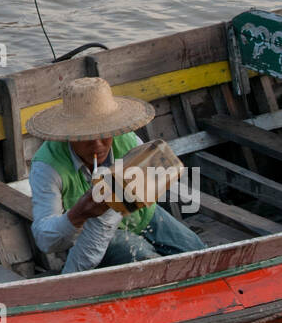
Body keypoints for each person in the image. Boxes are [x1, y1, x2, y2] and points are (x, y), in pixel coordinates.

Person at [26, 77, 204, 273]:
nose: (97, 145)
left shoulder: (127, 140)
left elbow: (157, 174)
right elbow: (45, 239)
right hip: (90, 236)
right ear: (69, 134)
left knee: (198, 253)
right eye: (85, 136)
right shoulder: (47, 166)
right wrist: (79, 213)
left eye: (104, 133)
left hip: (144, 217)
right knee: (146, 262)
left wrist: (151, 181)